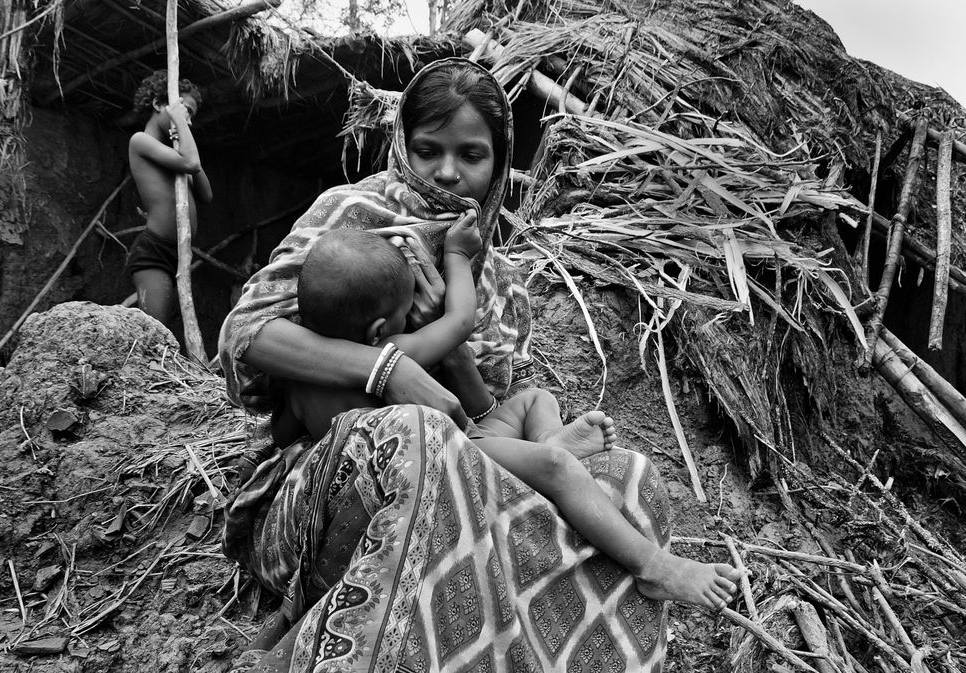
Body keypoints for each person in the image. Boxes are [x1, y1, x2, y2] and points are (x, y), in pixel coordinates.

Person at [219, 58, 732, 672]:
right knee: (422, 436)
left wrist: (448, 340)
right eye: (427, 149)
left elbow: (481, 419)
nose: (447, 173)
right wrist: (390, 368)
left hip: (457, 463)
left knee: (629, 480)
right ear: (401, 146)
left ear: (498, 163)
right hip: (323, 503)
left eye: (471, 155)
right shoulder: (351, 219)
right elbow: (245, 336)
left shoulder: (500, 283)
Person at [294, 223, 741, 612]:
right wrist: (455, 254)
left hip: (459, 441)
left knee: (534, 399)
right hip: (452, 457)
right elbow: (460, 321)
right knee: (558, 468)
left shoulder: (298, 379)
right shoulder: (388, 353)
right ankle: (653, 566)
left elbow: (286, 431)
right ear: (378, 330)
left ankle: (546, 441)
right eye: (404, 314)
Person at [127, 70, 213, 332]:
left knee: (165, 329)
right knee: (156, 332)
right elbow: (192, 162)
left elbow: (206, 194)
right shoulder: (141, 141)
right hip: (154, 252)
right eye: (184, 109)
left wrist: (182, 134)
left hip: (177, 255)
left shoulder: (176, 156)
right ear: (158, 105)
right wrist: (178, 119)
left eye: (191, 116)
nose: (188, 119)